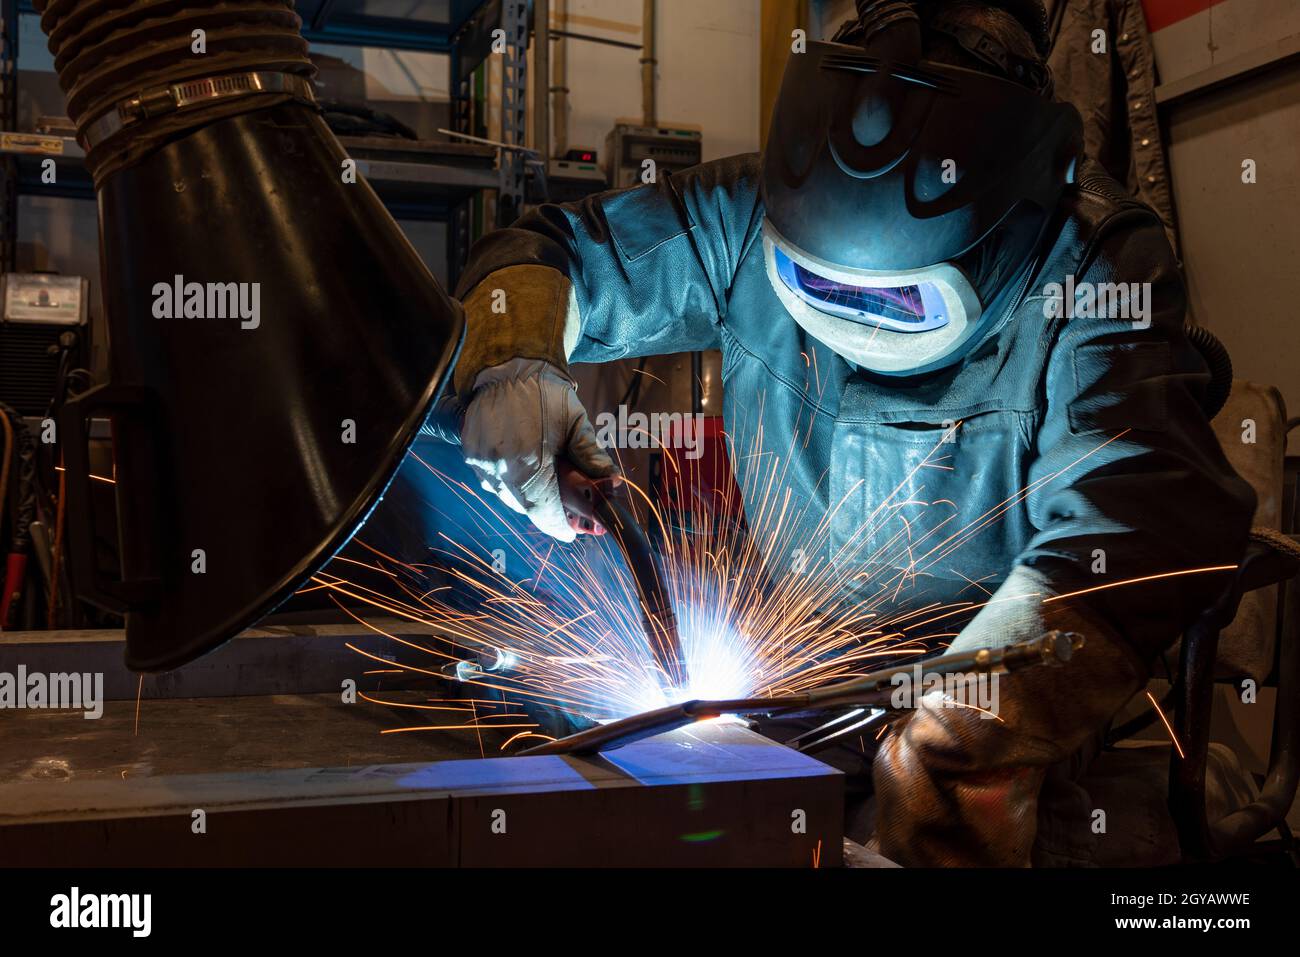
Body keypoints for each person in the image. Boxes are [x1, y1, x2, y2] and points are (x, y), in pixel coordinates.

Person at [446, 0, 1254, 865]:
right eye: (819, 287)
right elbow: (549, 252)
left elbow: (1138, 518)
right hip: (809, 675)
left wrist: (962, 731)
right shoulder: (743, 213)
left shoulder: (1089, 260)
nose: (857, 323)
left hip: (1008, 691)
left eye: (898, 298)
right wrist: (513, 362)